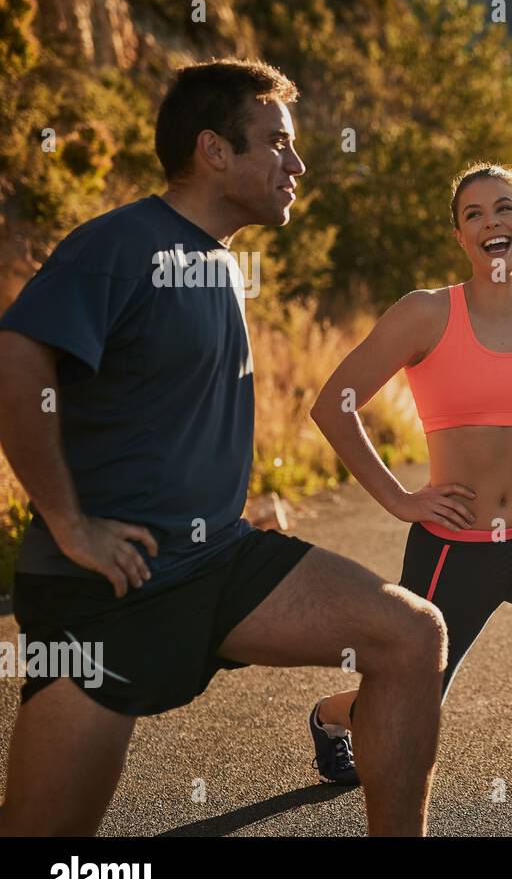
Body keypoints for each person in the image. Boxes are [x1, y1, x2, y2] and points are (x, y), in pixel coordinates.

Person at [0, 60, 448, 837]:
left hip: (216, 560)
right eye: (276, 142)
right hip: (107, 590)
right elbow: (15, 360)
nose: (296, 164)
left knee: (411, 635)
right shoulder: (123, 244)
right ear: (213, 150)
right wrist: (70, 523)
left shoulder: (218, 260)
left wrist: (226, 503)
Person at [305, 162, 512, 837]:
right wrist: (399, 499)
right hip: (453, 544)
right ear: (460, 235)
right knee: (408, 703)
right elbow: (333, 405)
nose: (492, 222)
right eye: (475, 213)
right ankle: (332, 715)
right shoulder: (426, 313)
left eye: (504, 208)